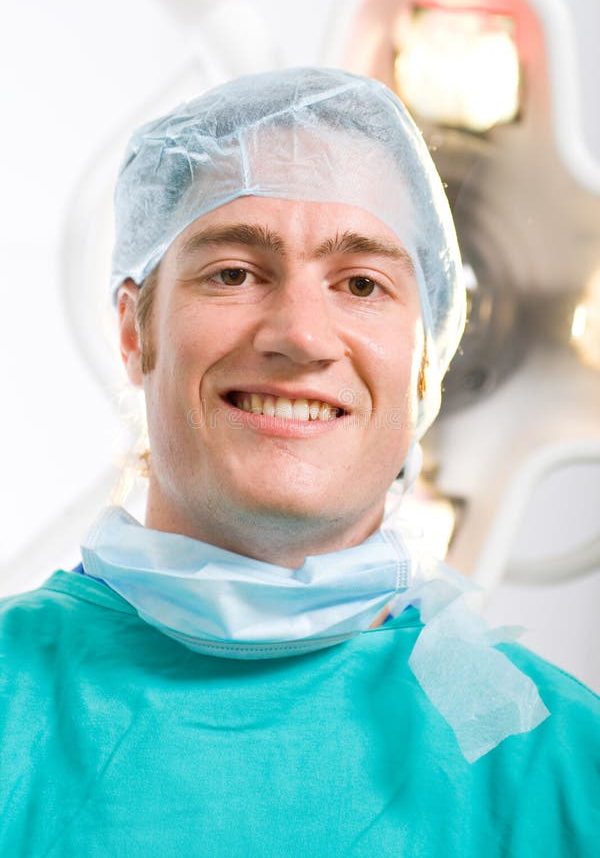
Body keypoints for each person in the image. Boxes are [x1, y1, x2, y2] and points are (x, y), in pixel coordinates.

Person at [0, 68, 598, 857]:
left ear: (426, 361)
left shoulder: (551, 759)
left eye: (361, 283)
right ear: (134, 333)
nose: (302, 336)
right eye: (236, 273)